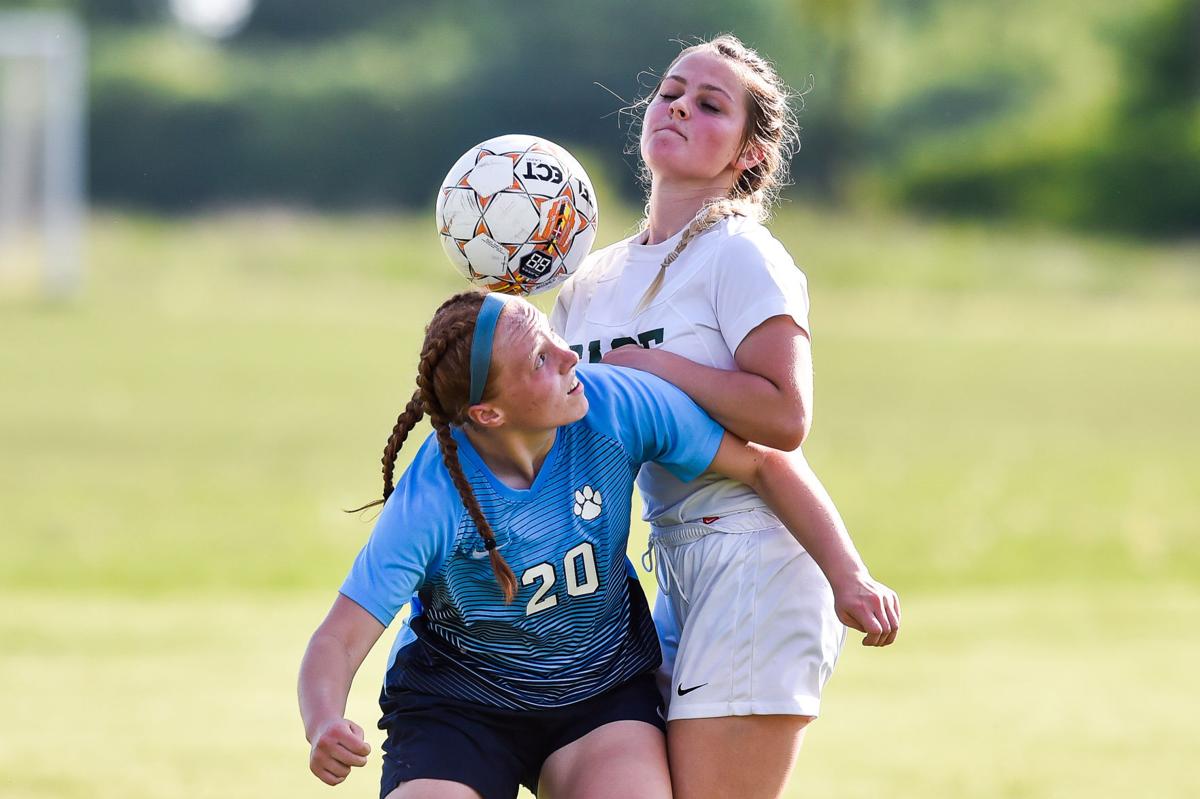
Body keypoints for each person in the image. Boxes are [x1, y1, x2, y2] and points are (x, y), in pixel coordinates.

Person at [298, 290, 897, 799]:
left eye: (553, 336)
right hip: (460, 705)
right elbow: (338, 637)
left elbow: (764, 464)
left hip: (599, 696)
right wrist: (324, 721)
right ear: (487, 413)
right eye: (539, 358)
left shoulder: (614, 404)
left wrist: (849, 575)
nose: (568, 354)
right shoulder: (432, 499)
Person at [551, 34, 899, 799]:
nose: (679, 105)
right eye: (672, 90)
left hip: (758, 561)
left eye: (711, 104)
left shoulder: (743, 255)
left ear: (748, 155)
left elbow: (785, 416)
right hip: (664, 567)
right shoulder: (590, 279)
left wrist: (659, 366)